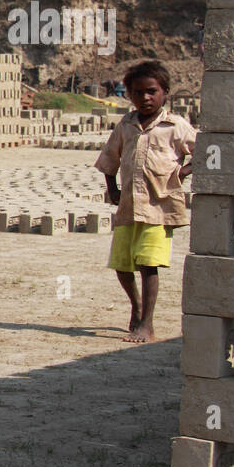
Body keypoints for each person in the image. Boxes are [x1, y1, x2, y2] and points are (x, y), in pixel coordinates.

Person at [95, 60, 196, 343]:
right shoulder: (126, 125)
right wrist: (112, 188)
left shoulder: (176, 126)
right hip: (128, 205)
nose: (145, 98)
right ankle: (136, 306)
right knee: (122, 264)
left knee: (148, 264)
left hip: (159, 206)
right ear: (129, 94)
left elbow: (204, 150)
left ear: (165, 92)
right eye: (138, 92)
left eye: (152, 91)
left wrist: (183, 172)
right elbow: (109, 159)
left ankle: (147, 324)